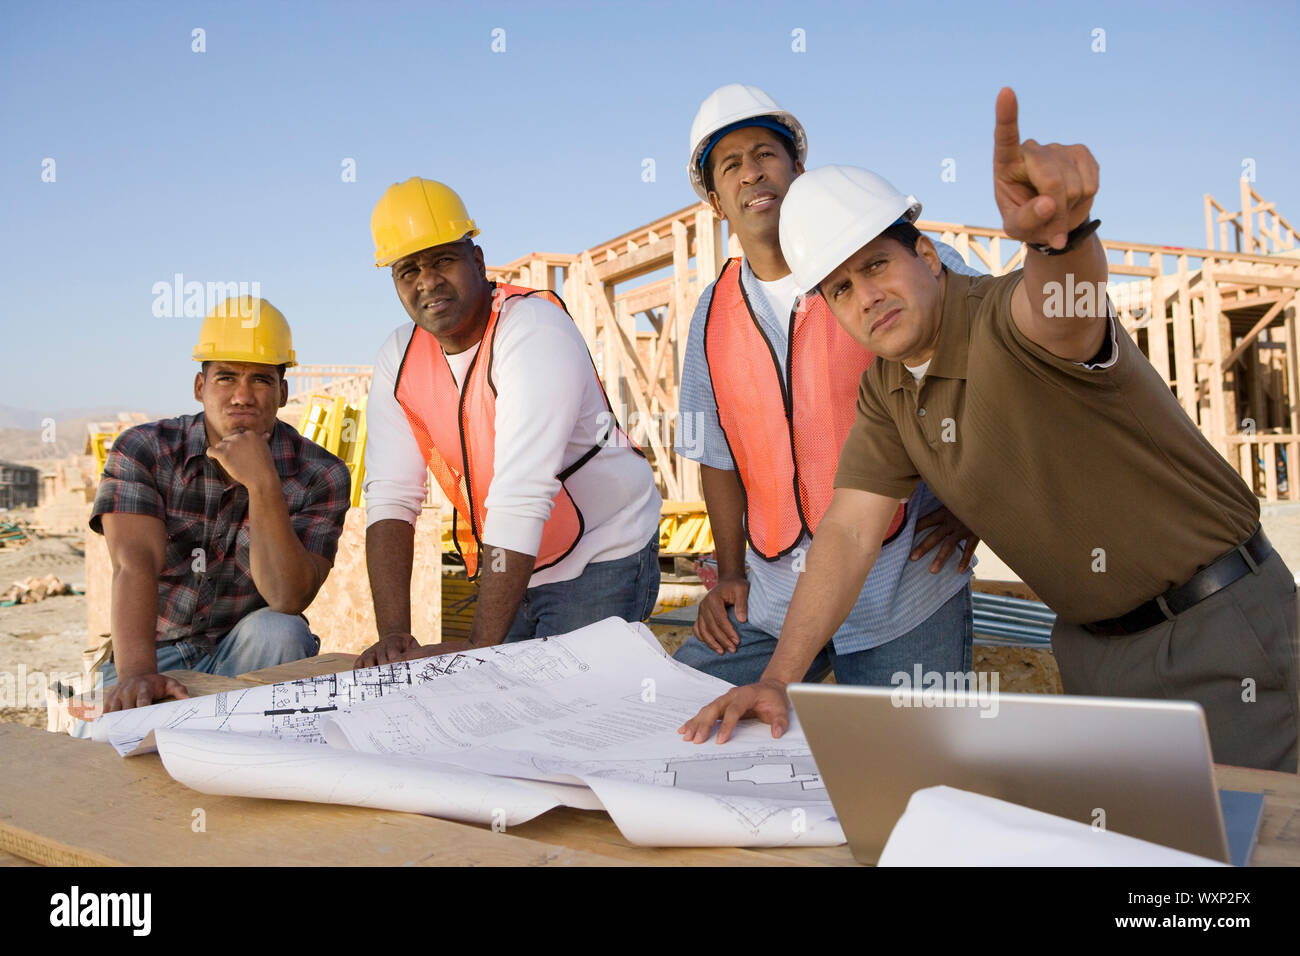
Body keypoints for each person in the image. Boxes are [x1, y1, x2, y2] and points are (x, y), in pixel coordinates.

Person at [680, 88, 1299, 773]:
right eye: (842, 290)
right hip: (1094, 652)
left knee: (1268, 840)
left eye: (878, 265)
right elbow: (851, 532)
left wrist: (1058, 237)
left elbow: (1063, 307)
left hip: (1219, 626)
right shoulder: (887, 392)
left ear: (929, 255)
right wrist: (778, 679)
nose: (867, 298)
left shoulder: (1007, 320)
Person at [672, 84, 979, 687]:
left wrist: (976, 512)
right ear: (714, 200)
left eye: (766, 154)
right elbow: (717, 455)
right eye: (730, 165)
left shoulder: (893, 264)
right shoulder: (712, 315)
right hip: (773, 603)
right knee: (677, 716)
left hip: (902, 594)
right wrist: (730, 572)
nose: (752, 173)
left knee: (906, 774)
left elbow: (999, 373)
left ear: (798, 169)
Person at [357, 178, 662, 666]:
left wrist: (481, 649)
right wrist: (394, 633)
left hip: (603, 548)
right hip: (516, 558)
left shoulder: (531, 329)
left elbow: (520, 492)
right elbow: (392, 495)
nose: (427, 281)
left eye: (443, 260)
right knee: (505, 702)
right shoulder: (399, 358)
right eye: (408, 270)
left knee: (567, 703)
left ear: (477, 261)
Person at [82, 296, 350, 716]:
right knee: (104, 757)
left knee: (281, 629)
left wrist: (263, 485)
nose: (242, 396)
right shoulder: (145, 450)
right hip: (153, 651)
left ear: (282, 391)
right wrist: (136, 673)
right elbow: (133, 564)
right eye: (225, 377)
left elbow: (288, 596)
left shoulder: (320, 473)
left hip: (246, 654)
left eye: (261, 380)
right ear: (199, 387)